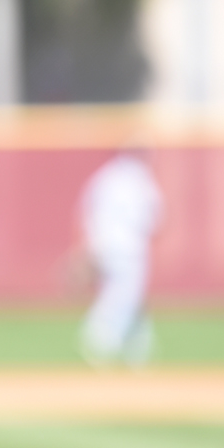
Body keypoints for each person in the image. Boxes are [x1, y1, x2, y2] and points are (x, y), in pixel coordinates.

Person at [77, 150, 163, 365]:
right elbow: (154, 218)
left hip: (104, 245)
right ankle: (102, 341)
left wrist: (90, 244)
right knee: (126, 296)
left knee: (119, 295)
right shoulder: (142, 180)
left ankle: (133, 345)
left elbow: (86, 208)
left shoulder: (105, 176)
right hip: (131, 248)